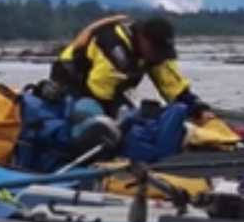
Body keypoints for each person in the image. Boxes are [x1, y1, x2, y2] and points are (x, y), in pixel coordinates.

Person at [26, 14, 211, 167]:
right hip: (75, 85)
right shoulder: (113, 52)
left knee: (131, 119)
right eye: (157, 51)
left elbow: (172, 86)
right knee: (105, 124)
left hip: (108, 90)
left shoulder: (153, 53)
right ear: (143, 40)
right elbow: (100, 95)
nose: (159, 56)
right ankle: (82, 158)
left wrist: (197, 108)